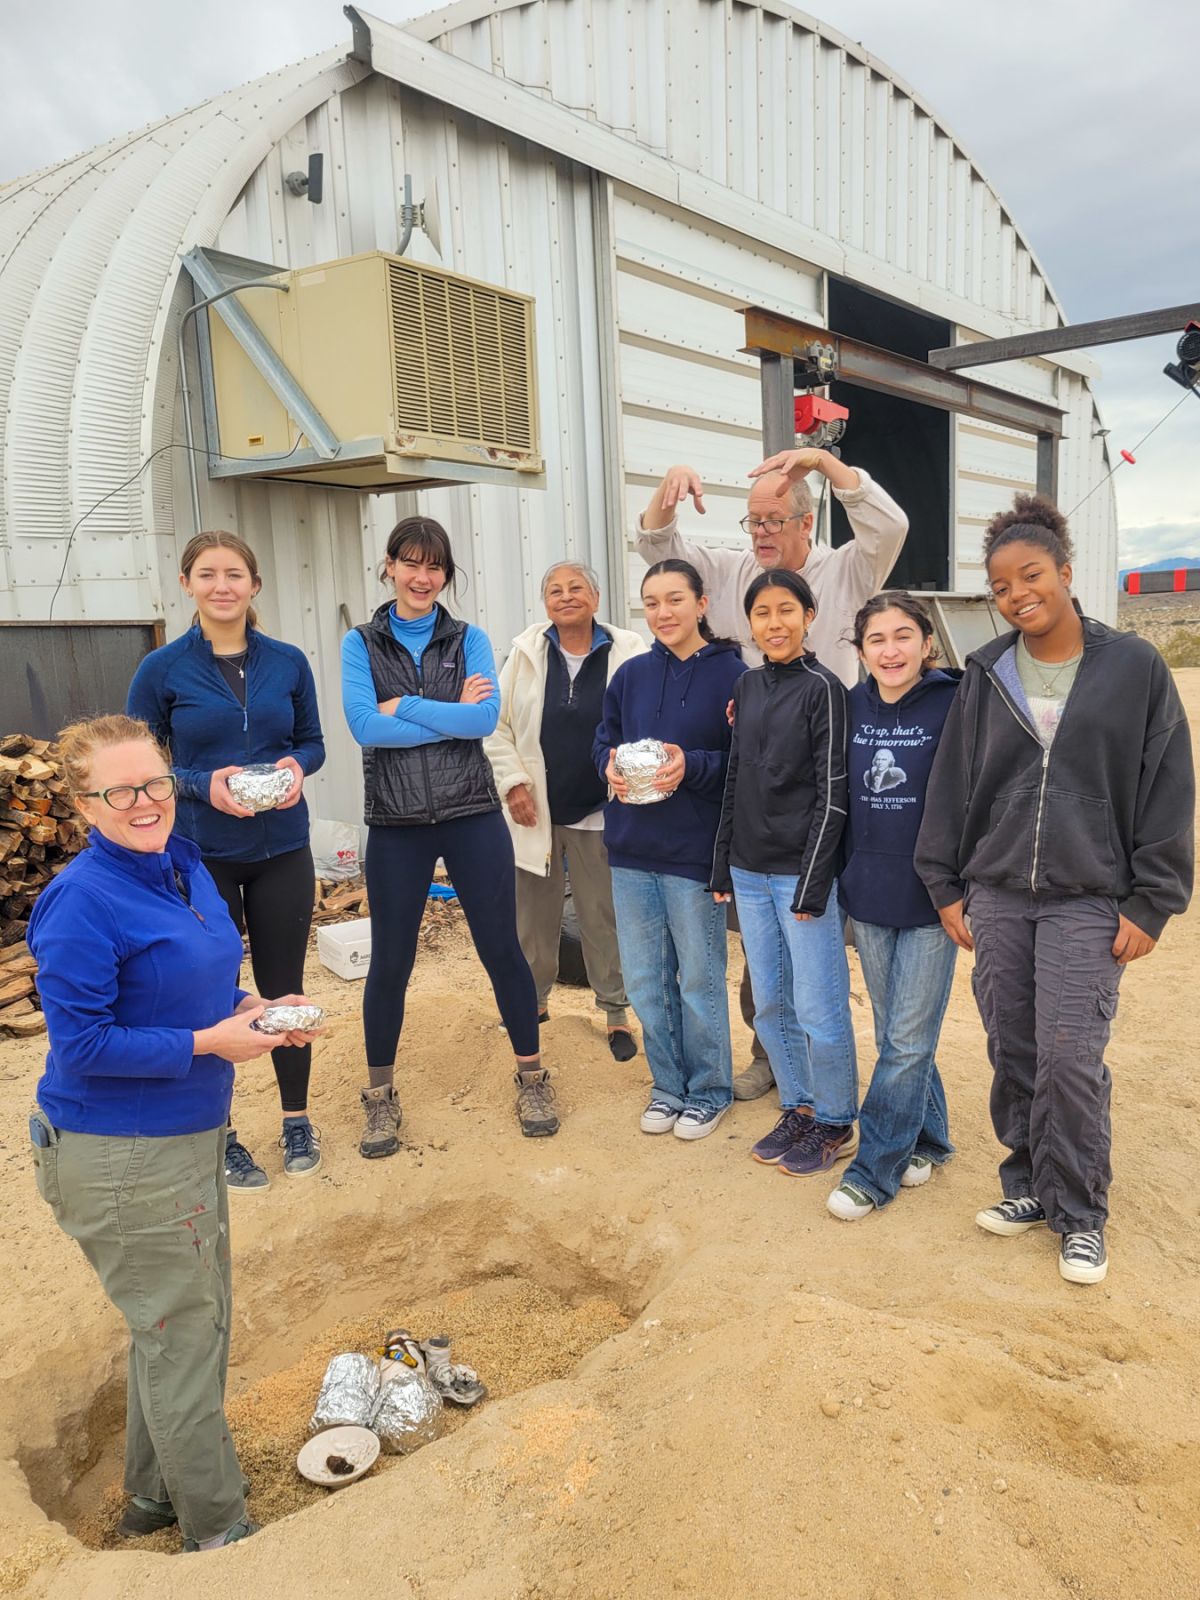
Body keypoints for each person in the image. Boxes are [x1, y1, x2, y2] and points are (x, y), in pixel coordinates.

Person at [27, 715, 322, 1551]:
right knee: (184, 1337)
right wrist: (207, 1045)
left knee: (180, 1326)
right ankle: (218, 1533)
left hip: (182, 1139)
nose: (143, 801)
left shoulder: (182, 862)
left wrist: (245, 1012)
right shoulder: (81, 901)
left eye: (155, 782)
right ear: (84, 805)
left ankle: (153, 1499)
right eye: (118, 791)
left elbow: (190, 982)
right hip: (121, 1157)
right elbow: (80, 1045)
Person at [916, 494, 1194, 1284]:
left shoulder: (1132, 667)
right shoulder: (986, 672)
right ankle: (1029, 1187)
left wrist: (1152, 901)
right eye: (1001, 585)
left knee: (1072, 1057)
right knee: (1015, 1050)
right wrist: (943, 882)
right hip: (998, 892)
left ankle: (1080, 1213)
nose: (1016, 594)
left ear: (1066, 573)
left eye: (1030, 575)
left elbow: (1169, 785)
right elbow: (953, 783)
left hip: (1087, 894)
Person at [636, 445, 908, 1101]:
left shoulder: (845, 570)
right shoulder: (732, 573)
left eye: (774, 520)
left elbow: (889, 526)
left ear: (806, 525)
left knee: (840, 934)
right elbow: (657, 548)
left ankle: (880, 1072)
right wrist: (666, 491)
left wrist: (823, 460)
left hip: (838, 787)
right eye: (753, 522)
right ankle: (774, 1056)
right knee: (768, 943)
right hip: (762, 789)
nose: (760, 533)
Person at [341, 515, 554, 1148]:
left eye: (434, 566)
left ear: (446, 574)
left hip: (471, 815)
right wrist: (449, 713)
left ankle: (532, 1074)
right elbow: (362, 727)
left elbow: (486, 718)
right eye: (410, 562)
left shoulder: (470, 638)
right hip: (396, 822)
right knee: (391, 963)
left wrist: (403, 705)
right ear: (389, 565)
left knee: (502, 951)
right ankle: (379, 1093)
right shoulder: (362, 643)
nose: (422, 576)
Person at [127, 531, 326, 1190]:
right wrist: (199, 784)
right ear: (187, 584)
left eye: (234, 573)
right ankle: (223, 1133)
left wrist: (296, 766)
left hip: (282, 851)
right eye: (207, 574)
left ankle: (296, 1117)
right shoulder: (161, 670)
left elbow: (313, 741)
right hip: (200, 857)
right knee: (209, 996)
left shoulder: (288, 661)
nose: (221, 585)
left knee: (281, 987)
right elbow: (142, 761)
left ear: (254, 585)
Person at [711, 569, 858, 1176]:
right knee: (770, 1003)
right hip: (748, 870)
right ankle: (799, 1105)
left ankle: (835, 1118)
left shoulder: (825, 689)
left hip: (801, 876)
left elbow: (834, 794)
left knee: (819, 1005)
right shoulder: (746, 687)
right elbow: (735, 777)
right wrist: (722, 861)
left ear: (809, 615)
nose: (775, 624)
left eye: (786, 611)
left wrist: (813, 881)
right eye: (762, 613)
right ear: (749, 623)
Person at [593, 560, 746, 1139]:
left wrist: (694, 766)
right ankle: (668, 1086)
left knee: (698, 979)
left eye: (675, 599)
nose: (663, 613)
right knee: (644, 980)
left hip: (694, 853)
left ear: (702, 603)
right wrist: (605, 762)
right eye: (652, 602)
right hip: (631, 849)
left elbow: (747, 762)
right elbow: (603, 739)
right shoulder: (629, 675)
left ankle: (709, 1089)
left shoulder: (735, 675)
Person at [826, 593, 963, 1221]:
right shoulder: (848, 707)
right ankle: (928, 1139)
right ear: (860, 652)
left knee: (906, 1040)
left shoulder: (957, 703)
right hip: (871, 892)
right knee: (898, 1034)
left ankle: (873, 1171)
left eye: (903, 635)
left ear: (927, 642)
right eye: (876, 639)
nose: (890, 650)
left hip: (936, 899)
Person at [485, 561, 646, 1057]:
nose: (566, 596)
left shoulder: (629, 652)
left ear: (596, 598)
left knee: (603, 912)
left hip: (604, 804)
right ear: (545, 602)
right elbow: (497, 724)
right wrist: (513, 782)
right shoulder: (526, 652)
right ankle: (531, 1003)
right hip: (537, 807)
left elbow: (644, 721)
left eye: (577, 587)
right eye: (554, 590)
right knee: (532, 913)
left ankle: (616, 1012)